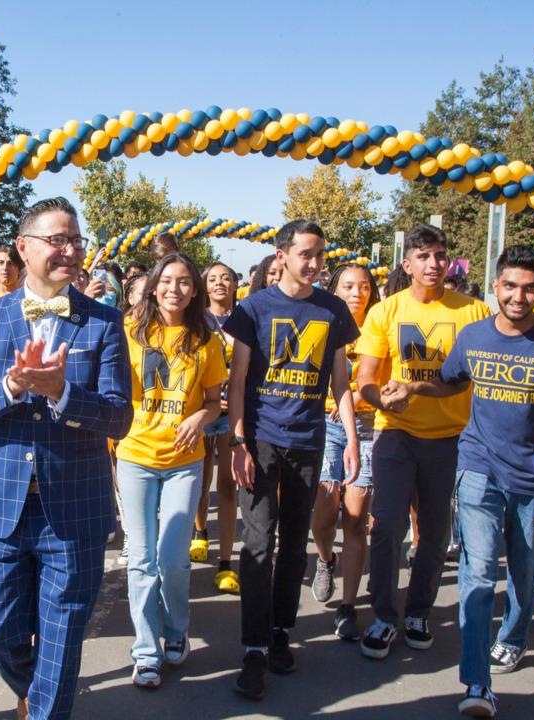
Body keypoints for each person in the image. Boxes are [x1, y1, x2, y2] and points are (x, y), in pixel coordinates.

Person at [382, 245, 534, 716]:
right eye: (509, 286)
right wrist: (412, 386)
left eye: (528, 288)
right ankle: (477, 682)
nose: (518, 296)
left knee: (524, 573)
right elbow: (452, 381)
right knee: (478, 572)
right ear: (496, 285)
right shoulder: (475, 334)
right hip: (478, 467)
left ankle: (514, 637)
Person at [0, 196, 132, 719]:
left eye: (76, 240)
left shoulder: (104, 322)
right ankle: (37, 692)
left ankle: (46, 705)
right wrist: (6, 387)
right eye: (57, 240)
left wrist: (61, 394)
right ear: (23, 248)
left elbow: (120, 417)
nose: (70, 250)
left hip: (74, 513)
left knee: (62, 638)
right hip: (2, 508)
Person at [223, 220, 360, 701]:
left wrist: (354, 439)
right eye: (307, 254)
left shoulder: (334, 310)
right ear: (281, 256)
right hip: (259, 440)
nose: (316, 263)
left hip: (310, 439)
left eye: (321, 254)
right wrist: (238, 442)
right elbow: (236, 382)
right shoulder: (252, 308)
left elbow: (340, 381)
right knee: (258, 543)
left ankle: (282, 630)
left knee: (294, 542)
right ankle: (254, 649)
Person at [355, 224, 491, 660]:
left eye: (440, 255)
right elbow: (365, 379)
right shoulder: (385, 311)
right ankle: (382, 616)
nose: (434, 264)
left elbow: (475, 377)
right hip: (395, 434)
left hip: (451, 438)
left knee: (434, 533)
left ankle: (418, 612)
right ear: (407, 264)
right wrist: (383, 400)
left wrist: (415, 390)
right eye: (424, 256)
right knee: (387, 525)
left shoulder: (473, 312)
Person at [116, 253, 225, 688]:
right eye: (166, 281)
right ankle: (146, 651)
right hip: (136, 456)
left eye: (183, 282)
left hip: (185, 463)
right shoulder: (128, 331)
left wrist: (201, 418)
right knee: (141, 559)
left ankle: (176, 631)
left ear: (194, 290)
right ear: (153, 285)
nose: (173, 289)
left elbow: (216, 401)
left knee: (175, 560)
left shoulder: (206, 339)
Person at [310, 263, 382, 641]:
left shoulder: (381, 322)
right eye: (349, 286)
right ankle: (325, 560)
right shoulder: (322, 321)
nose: (357, 293)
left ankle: (348, 606)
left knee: (355, 518)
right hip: (325, 426)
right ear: (334, 289)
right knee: (323, 515)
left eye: (364, 286)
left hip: (369, 428)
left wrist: (354, 394)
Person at [191, 262, 241, 594]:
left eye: (225, 278)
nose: (219, 283)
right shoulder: (197, 319)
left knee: (227, 485)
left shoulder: (247, 319)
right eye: (212, 279)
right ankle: (200, 533)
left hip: (232, 412)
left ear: (236, 285)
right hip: (200, 409)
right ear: (205, 286)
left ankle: (225, 563)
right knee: (200, 479)